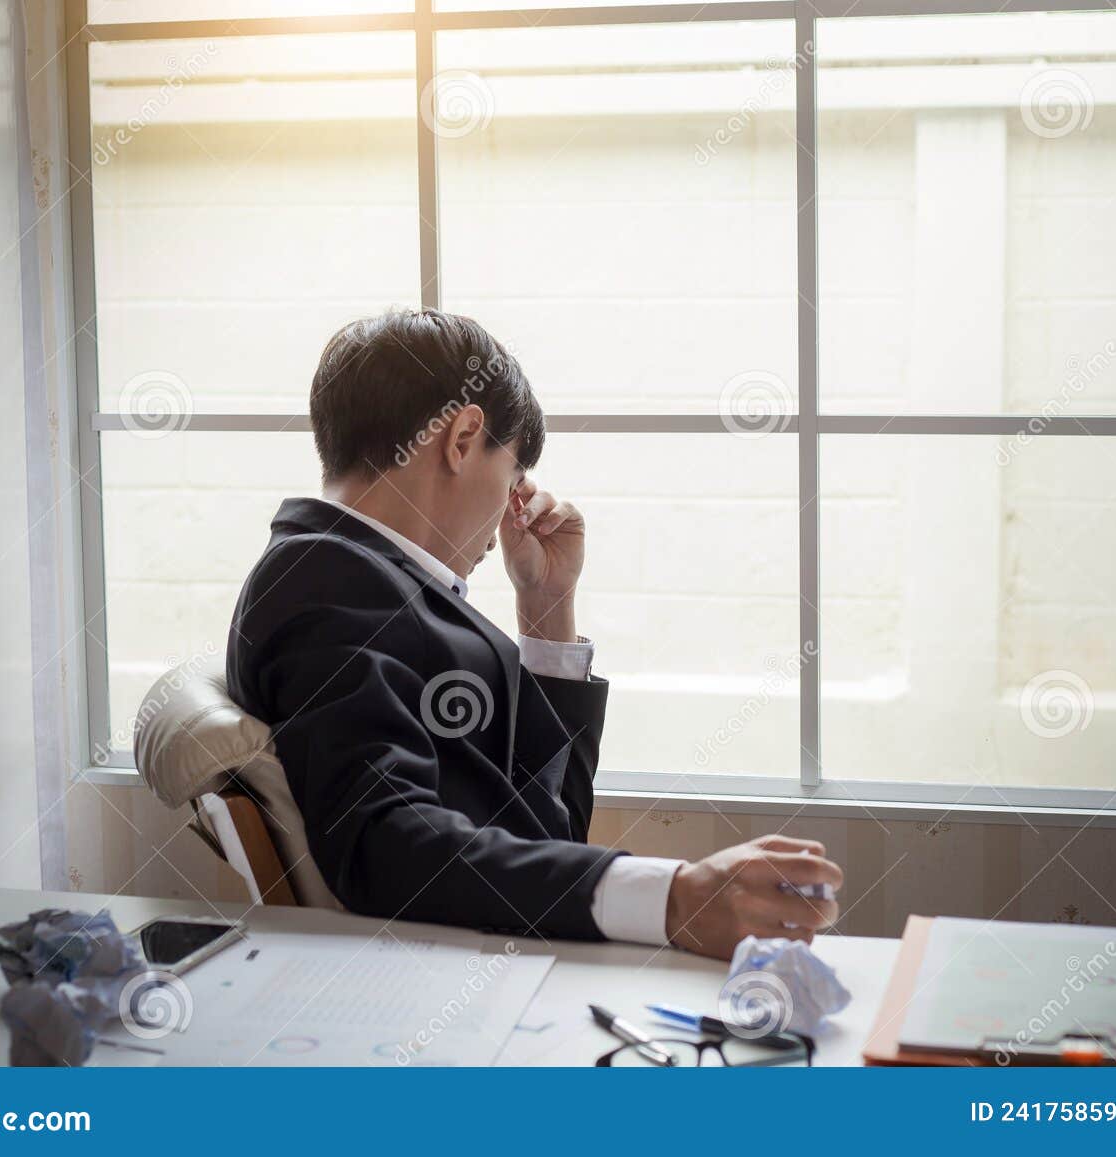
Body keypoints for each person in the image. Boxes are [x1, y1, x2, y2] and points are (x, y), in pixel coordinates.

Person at [226, 309, 842, 958]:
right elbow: (383, 841)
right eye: (513, 474)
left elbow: (550, 827)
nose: (504, 518)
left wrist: (547, 607)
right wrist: (675, 897)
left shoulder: (356, 574)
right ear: (463, 437)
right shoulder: (330, 585)